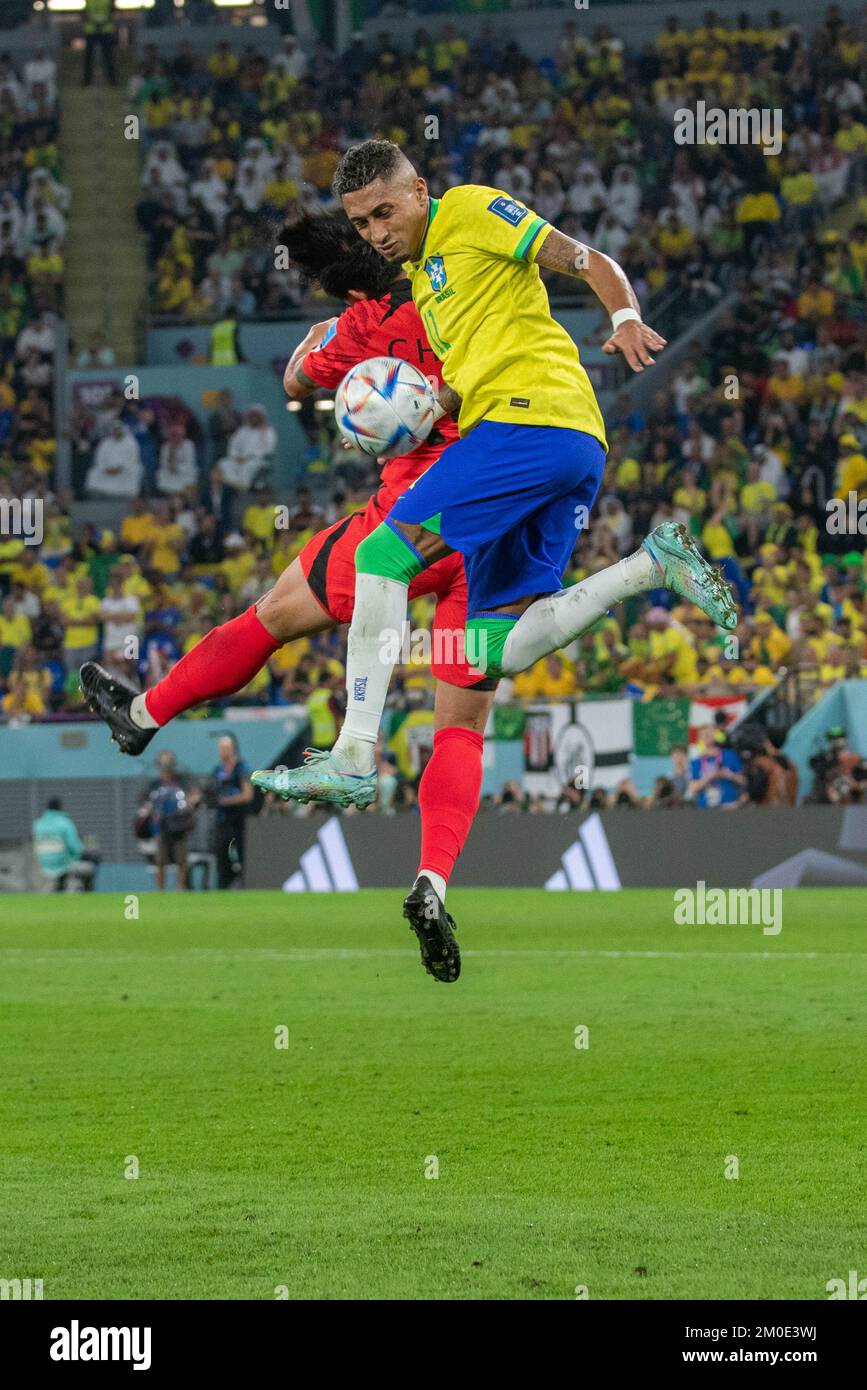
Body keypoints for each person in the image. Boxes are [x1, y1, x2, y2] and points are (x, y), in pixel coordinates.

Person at [79, 211, 498, 982]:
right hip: (486, 530)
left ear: (336, 282)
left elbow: (299, 380)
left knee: (271, 617)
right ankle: (431, 882)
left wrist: (319, 335)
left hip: (403, 528)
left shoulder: (357, 324)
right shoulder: (460, 292)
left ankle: (143, 714)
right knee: (461, 728)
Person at [265, 142, 736, 825]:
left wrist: (625, 315)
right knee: (488, 650)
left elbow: (584, 258)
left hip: (526, 425)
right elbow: (462, 383)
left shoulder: (470, 209)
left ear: (419, 190)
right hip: (563, 443)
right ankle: (648, 567)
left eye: (384, 212)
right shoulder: (426, 281)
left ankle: (354, 754)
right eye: (362, 223)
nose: (376, 233)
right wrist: (404, 419)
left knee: (378, 556)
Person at [212, 735, 252, 889]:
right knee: (222, 857)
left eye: (226, 748)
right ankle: (223, 887)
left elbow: (247, 795)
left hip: (239, 820)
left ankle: (244, 886)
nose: (223, 752)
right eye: (221, 749)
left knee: (242, 855)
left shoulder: (242, 768)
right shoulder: (217, 770)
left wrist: (225, 801)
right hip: (223, 820)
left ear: (233, 749)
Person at [33, 798, 97, 891]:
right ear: (61, 807)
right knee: (91, 863)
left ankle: (60, 887)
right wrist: (82, 853)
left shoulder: (38, 824)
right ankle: (87, 896)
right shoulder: (65, 823)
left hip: (44, 863)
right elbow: (74, 847)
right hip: (63, 864)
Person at [82, 0, 116, 88]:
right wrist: (95, 22)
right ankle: (87, 80)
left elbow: (112, 12)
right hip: (91, 29)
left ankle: (112, 80)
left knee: (108, 56)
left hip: (105, 29)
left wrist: (102, 22)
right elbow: (84, 13)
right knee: (88, 58)